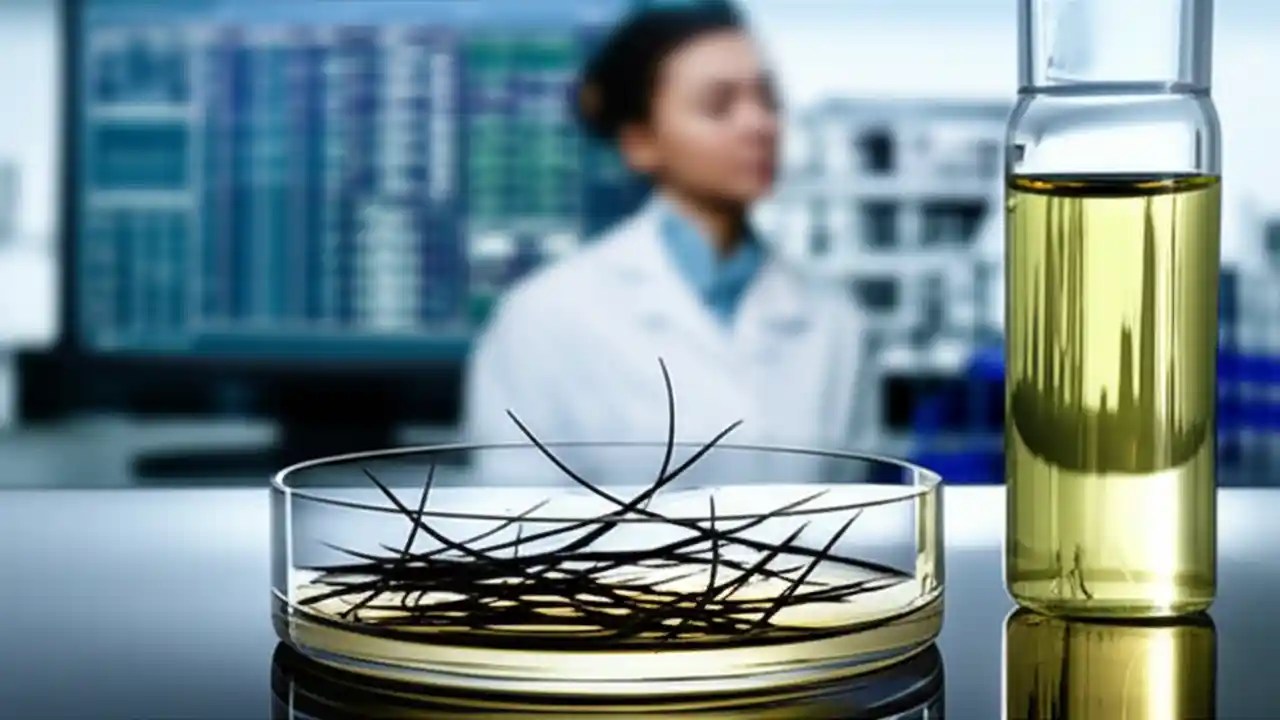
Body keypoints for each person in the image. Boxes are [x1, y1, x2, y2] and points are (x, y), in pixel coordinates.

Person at [465, 3, 868, 480]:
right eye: (719, 106)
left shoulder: (833, 320)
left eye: (768, 100)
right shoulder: (545, 318)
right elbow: (518, 522)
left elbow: (853, 522)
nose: (759, 125)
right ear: (640, 142)